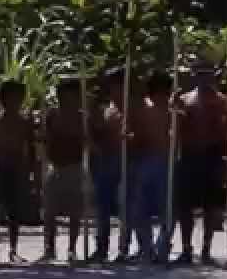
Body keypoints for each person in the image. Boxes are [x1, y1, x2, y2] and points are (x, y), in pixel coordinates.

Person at [174, 63, 227, 266]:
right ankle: (187, 248)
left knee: (211, 206)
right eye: (200, 75)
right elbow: (177, 129)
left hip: (212, 156)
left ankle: (206, 248)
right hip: (189, 156)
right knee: (185, 206)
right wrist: (177, 114)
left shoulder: (222, 101)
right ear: (194, 77)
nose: (204, 80)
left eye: (207, 75)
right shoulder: (184, 99)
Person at [0, 80, 34, 264]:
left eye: (18, 97)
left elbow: (31, 147)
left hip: (16, 168)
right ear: (3, 99)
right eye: (10, 97)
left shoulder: (25, 121)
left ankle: (14, 249)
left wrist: (32, 173)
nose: (14, 101)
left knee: (15, 210)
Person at [41, 78, 86, 264]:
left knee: (75, 212)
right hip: (55, 167)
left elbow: (87, 140)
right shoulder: (52, 115)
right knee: (49, 212)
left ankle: (72, 249)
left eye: (70, 96)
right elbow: (45, 140)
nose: (66, 100)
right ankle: (49, 249)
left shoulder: (82, 117)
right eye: (62, 96)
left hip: (75, 167)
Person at [130, 71, 173, 263]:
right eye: (160, 92)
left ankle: (162, 247)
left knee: (168, 208)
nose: (163, 96)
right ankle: (146, 248)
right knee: (141, 209)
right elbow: (136, 137)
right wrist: (130, 137)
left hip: (167, 163)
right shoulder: (142, 111)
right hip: (146, 162)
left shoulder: (174, 112)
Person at [91, 67, 130, 264]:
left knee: (126, 207)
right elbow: (98, 137)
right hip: (106, 162)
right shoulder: (107, 109)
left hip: (127, 162)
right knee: (102, 208)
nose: (111, 89)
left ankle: (124, 249)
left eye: (115, 84)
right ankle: (101, 248)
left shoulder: (134, 108)